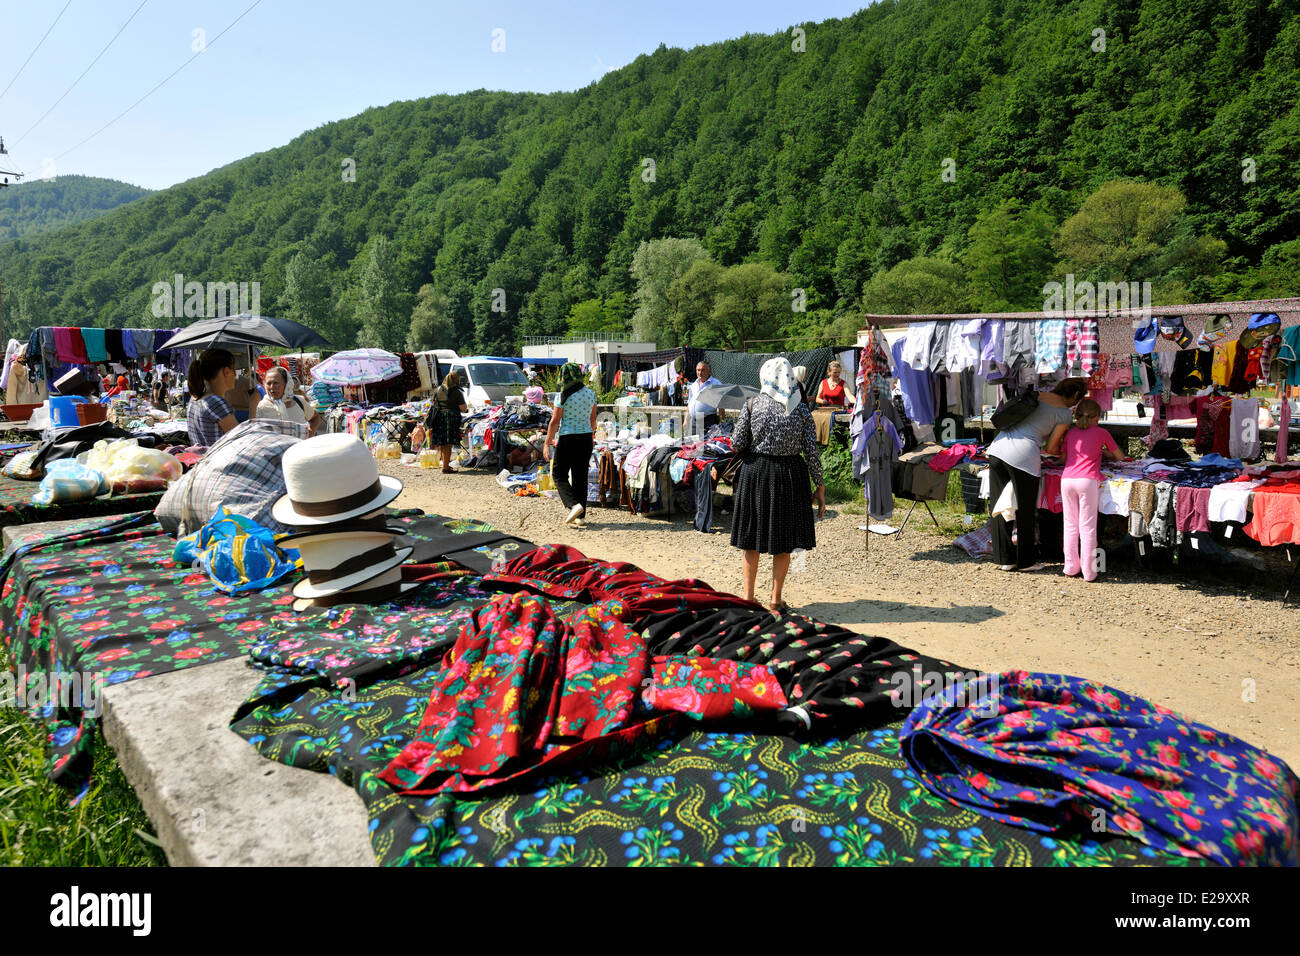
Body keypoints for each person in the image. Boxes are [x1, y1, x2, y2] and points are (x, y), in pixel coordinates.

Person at [730, 357, 826, 613]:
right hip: (789, 475)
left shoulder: (752, 404)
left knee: (751, 538)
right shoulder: (802, 409)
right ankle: (776, 600)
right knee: (782, 540)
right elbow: (811, 451)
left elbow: (737, 443)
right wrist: (820, 485)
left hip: (756, 473)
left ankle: (748, 598)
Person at [985, 377, 1089, 572]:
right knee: (1024, 509)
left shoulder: (1037, 395)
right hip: (1023, 457)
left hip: (997, 449)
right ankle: (1026, 561)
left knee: (998, 506)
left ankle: (1004, 559)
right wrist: (1065, 453)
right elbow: (1051, 447)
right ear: (1075, 395)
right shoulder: (1064, 414)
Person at [1045, 398, 1122, 582]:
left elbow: (1064, 458)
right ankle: (1089, 571)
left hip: (1067, 479)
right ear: (1098, 417)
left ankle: (1070, 566)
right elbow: (1120, 456)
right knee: (1087, 527)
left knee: (1070, 525)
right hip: (1088, 480)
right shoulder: (1102, 432)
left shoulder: (1070, 433)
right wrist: (1103, 454)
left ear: (1076, 415)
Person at [544, 362, 598, 526]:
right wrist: (591, 436)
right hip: (585, 438)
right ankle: (580, 517)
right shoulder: (591, 394)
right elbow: (593, 420)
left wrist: (547, 443)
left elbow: (554, 422)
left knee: (559, 474)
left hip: (568, 438)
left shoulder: (562, 396)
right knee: (580, 476)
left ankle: (574, 505)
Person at [186, 348, 239, 446]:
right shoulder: (216, 402)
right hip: (217, 460)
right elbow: (241, 441)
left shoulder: (195, 398)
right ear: (226, 371)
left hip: (202, 459)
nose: (235, 375)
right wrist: (253, 405)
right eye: (234, 370)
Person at [421, 370, 468, 473]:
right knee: (448, 444)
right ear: (456, 380)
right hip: (450, 419)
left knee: (442, 443)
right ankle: (445, 467)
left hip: (439, 418)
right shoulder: (456, 392)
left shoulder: (438, 390)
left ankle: (445, 465)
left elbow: (434, 403)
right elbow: (463, 408)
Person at [256, 366, 321, 435]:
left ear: (286, 384)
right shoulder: (262, 406)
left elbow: (315, 418)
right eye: (269, 383)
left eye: (276, 383)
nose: (272, 387)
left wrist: (310, 434)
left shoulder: (299, 401)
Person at [686, 360, 722, 436]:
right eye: (698, 370)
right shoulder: (694, 385)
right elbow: (689, 404)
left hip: (708, 421)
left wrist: (720, 421)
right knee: (691, 445)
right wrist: (686, 420)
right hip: (693, 422)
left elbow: (721, 405)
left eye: (703, 370)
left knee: (705, 445)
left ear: (709, 371)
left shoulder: (716, 384)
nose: (700, 373)